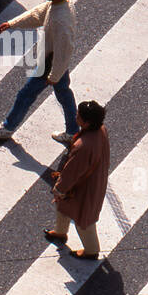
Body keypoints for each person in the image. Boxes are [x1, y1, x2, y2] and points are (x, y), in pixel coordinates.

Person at [0, 0, 77, 144]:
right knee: (64, 94)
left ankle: (8, 127)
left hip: (50, 63)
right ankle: (73, 131)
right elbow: (38, 14)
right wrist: (12, 23)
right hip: (54, 63)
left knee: (25, 94)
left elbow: (64, 50)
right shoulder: (58, 4)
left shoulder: (61, 20)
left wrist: (54, 76)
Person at [45, 100, 109, 260]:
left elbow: (71, 172)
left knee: (83, 220)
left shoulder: (83, 146)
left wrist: (59, 189)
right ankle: (60, 233)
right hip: (93, 180)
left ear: (86, 122)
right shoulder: (101, 130)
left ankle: (91, 250)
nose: (76, 117)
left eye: (78, 115)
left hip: (84, 188)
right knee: (63, 207)